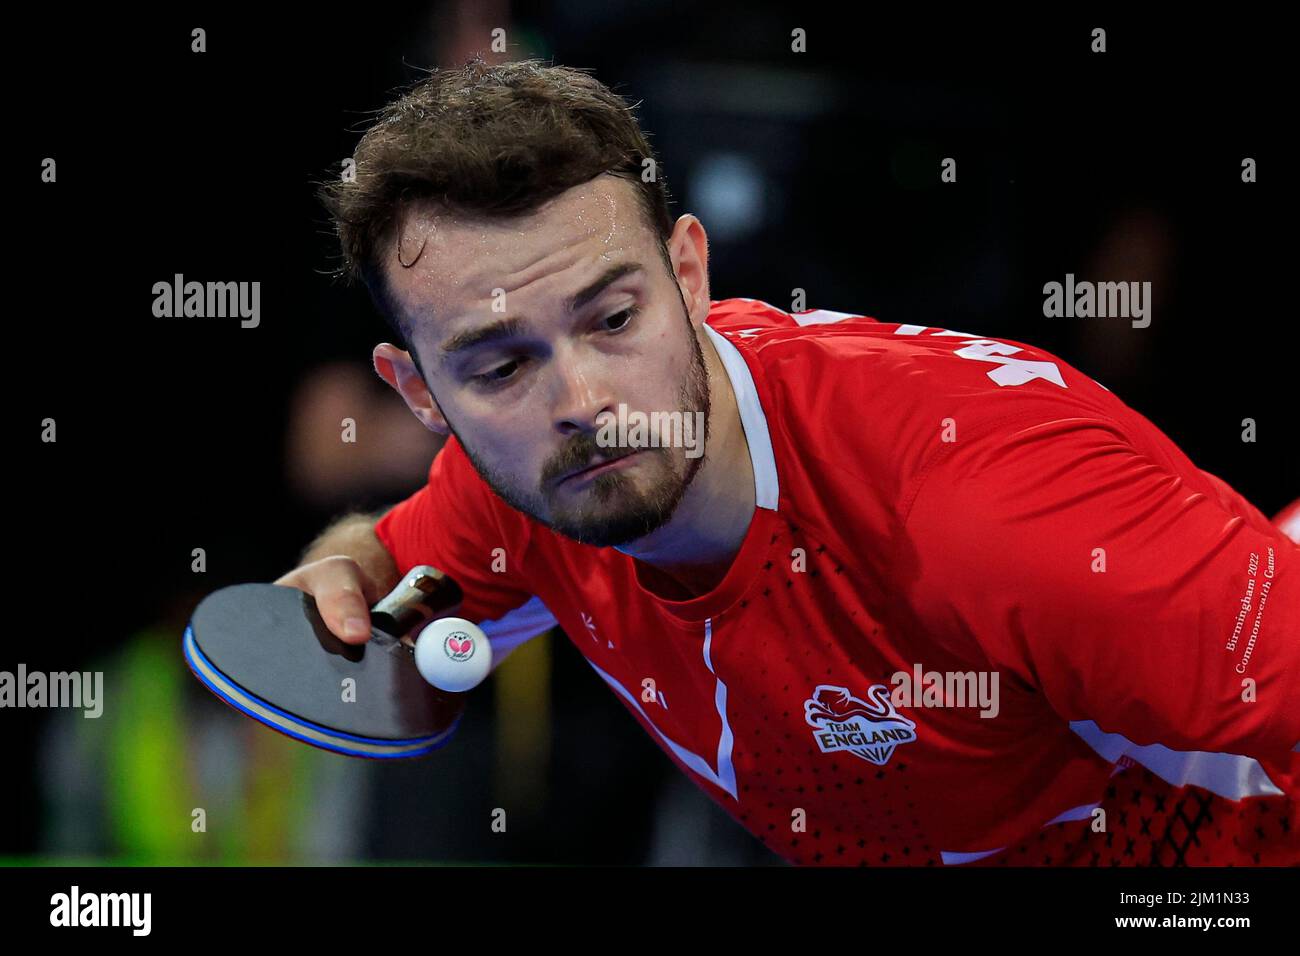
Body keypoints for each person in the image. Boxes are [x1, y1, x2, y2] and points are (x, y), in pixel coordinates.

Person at [280, 57, 1299, 866]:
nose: (583, 401)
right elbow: (394, 552)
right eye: (502, 364)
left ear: (690, 269)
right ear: (419, 393)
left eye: (615, 316)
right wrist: (349, 565)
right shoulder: (534, 490)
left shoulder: (980, 509)